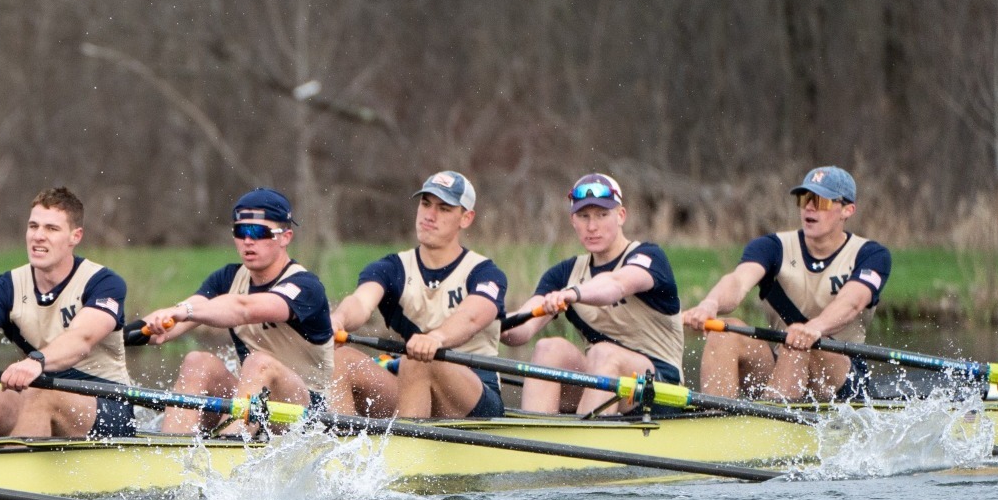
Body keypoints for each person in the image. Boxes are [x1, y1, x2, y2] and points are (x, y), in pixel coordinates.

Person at [0, 187, 134, 441]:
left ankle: (8, 476)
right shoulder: (4, 287)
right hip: (37, 395)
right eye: (33, 226)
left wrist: (36, 361)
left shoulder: (104, 283)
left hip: (107, 405)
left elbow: (81, 339)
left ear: (75, 236)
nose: (38, 236)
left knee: (39, 395)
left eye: (51, 229)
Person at [679, 165, 891, 399]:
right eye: (804, 198)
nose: (810, 207)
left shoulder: (870, 255)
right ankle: (716, 418)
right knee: (723, 333)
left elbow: (852, 302)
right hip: (783, 360)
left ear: (847, 210)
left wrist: (813, 329)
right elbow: (738, 281)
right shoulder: (772, 247)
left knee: (799, 340)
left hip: (841, 375)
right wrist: (710, 304)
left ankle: (772, 427)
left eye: (821, 201)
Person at [138, 188, 332, 436]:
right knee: (197, 361)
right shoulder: (227, 278)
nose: (248, 240)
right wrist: (131, 329)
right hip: (251, 400)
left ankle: (229, 444)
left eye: (259, 232)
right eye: (241, 232)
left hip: (304, 412)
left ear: (285, 237)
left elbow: (245, 310)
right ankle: (170, 448)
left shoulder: (305, 286)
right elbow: (167, 328)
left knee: (259, 362)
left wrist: (184, 310)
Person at [328, 171, 508, 419]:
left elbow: (472, 317)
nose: (430, 216)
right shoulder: (392, 268)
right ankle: (341, 450)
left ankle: (405, 453)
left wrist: (437, 338)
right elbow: (360, 301)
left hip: (474, 396)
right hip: (411, 381)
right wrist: (338, 320)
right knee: (341, 360)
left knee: (418, 360)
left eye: (444, 209)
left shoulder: (484, 272)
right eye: (425, 204)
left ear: (466, 218)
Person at [501, 173, 684, 414]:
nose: (592, 226)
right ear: (572, 220)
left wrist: (573, 294)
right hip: (604, 385)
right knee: (548, 348)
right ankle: (535, 436)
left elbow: (616, 285)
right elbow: (521, 330)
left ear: (621, 216)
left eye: (602, 215)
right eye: (583, 216)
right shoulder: (564, 273)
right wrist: (486, 321)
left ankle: (584, 442)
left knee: (603, 353)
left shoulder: (649, 257)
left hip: (660, 389)